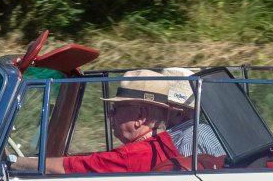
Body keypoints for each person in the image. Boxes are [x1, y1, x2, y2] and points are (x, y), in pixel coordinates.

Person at [12, 69, 199, 174]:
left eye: (115, 109)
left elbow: (69, 167)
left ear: (140, 116)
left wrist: (14, 161)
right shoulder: (170, 144)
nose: (110, 115)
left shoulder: (132, 156)